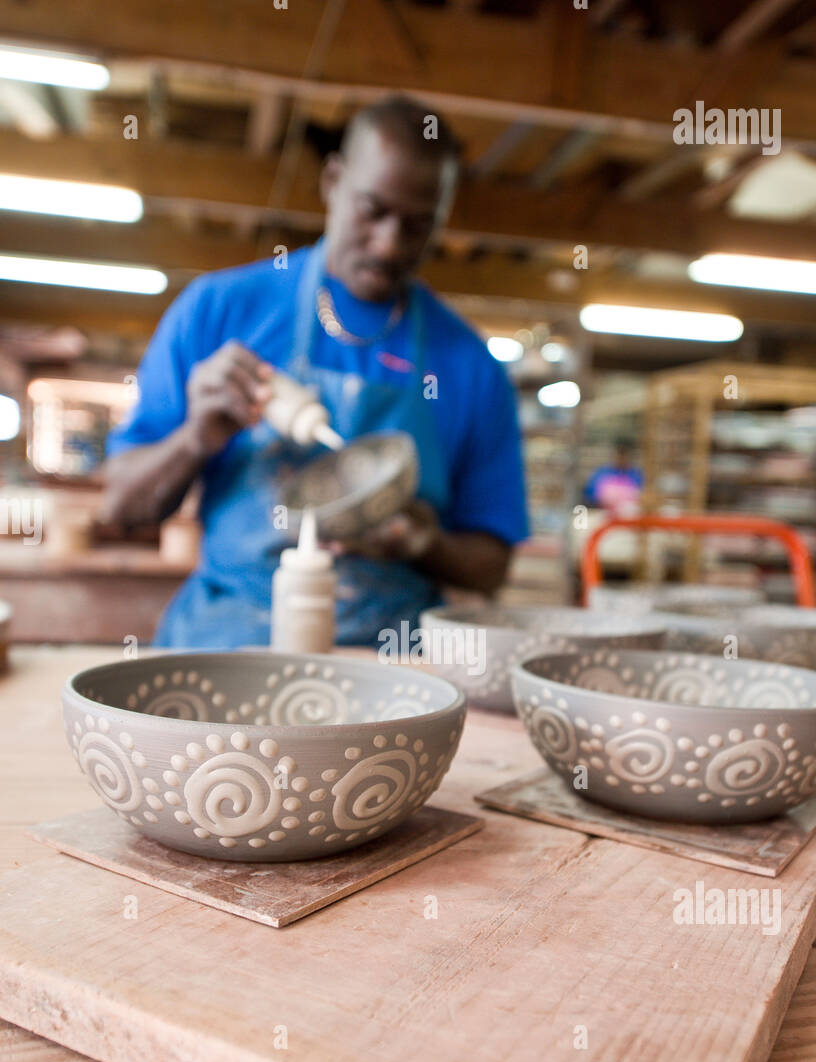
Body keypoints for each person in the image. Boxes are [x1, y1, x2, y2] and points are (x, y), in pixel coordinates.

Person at [103, 95, 529, 648]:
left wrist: (427, 544)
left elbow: (492, 567)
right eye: (372, 210)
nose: (389, 243)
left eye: (418, 224)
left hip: (390, 657)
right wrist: (194, 439)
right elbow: (121, 506)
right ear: (332, 181)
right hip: (227, 639)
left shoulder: (469, 365)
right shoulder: (220, 310)